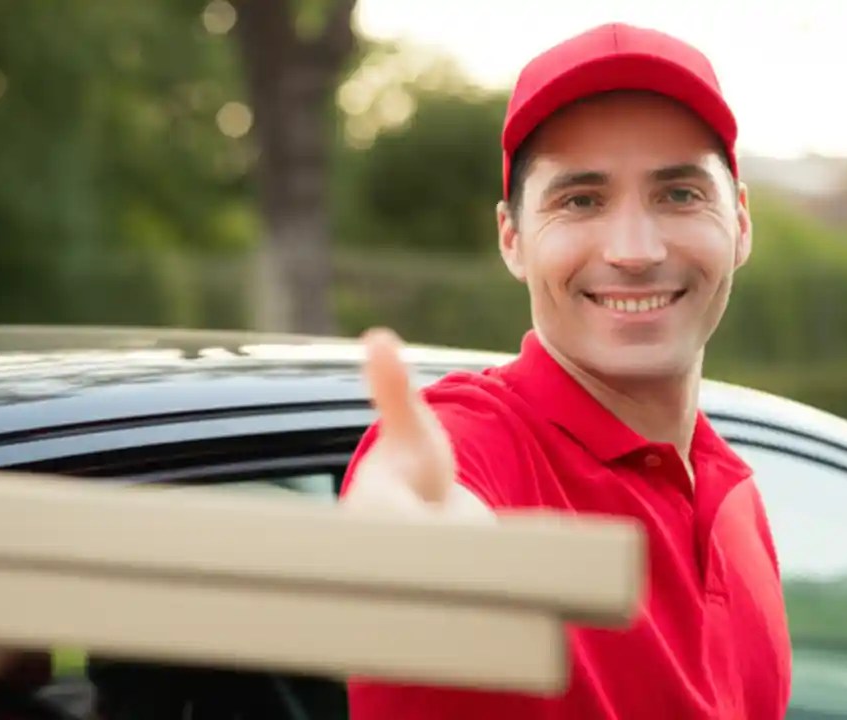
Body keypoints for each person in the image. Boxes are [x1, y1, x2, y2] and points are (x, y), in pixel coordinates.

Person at [339, 21, 792, 720]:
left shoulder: (736, 498)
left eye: (678, 194)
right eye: (581, 200)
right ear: (512, 239)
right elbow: (424, 508)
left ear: (741, 224)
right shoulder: (476, 445)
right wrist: (417, 555)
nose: (635, 250)